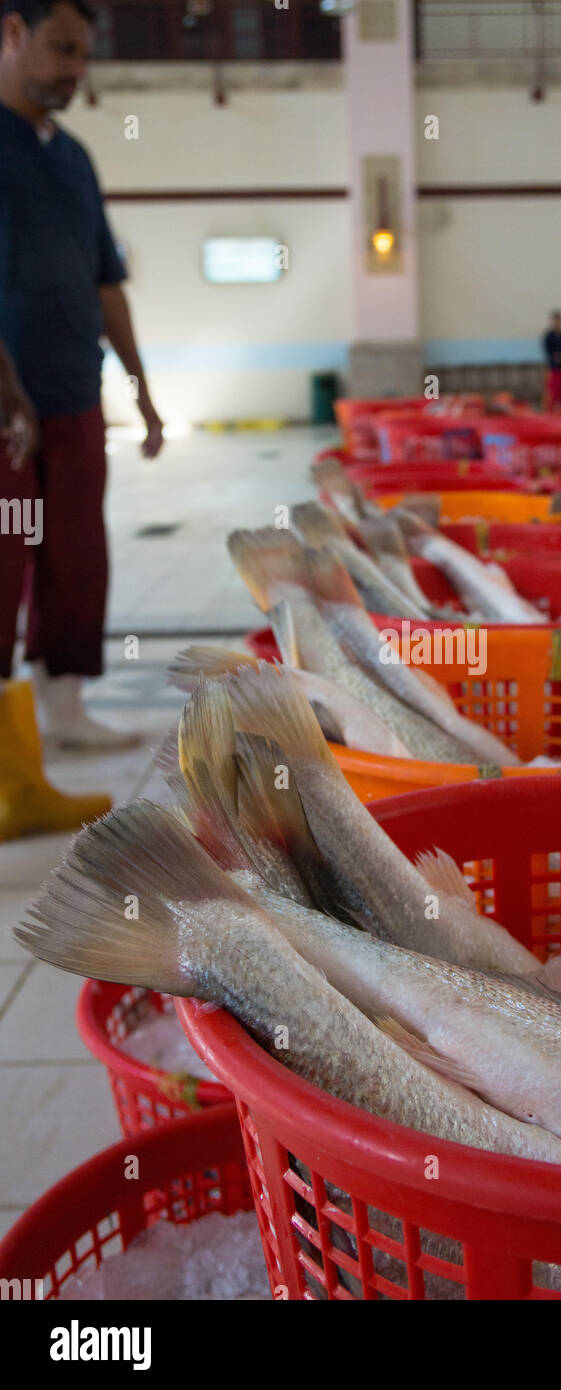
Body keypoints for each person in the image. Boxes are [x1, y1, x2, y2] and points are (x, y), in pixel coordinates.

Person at [0, 0, 164, 840]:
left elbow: (107, 283)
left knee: (75, 555)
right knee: (3, 564)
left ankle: (62, 710)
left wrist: (139, 386)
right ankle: (8, 757)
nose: (74, 69)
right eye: (61, 48)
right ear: (11, 33)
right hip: (4, 410)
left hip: (71, 394)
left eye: (83, 54)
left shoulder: (74, 162)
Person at [541, 310, 561, 412]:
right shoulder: (549, 336)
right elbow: (549, 352)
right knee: (553, 394)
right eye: (556, 320)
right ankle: (550, 414)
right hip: (554, 369)